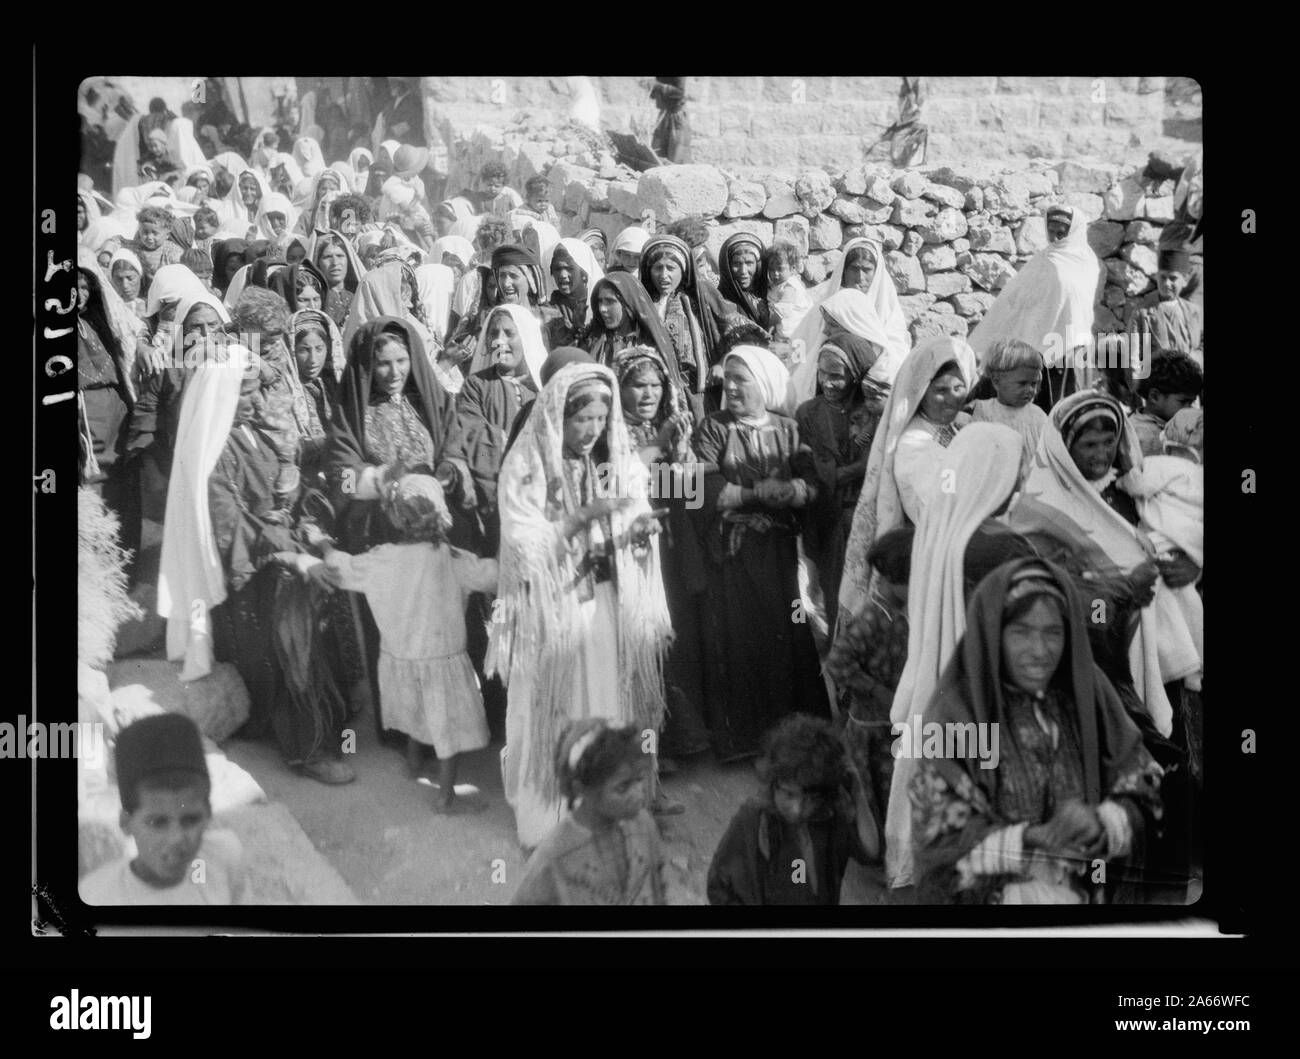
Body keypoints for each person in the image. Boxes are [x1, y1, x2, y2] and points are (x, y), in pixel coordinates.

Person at [487, 363, 672, 849]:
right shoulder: (527, 463)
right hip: (554, 614)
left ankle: (608, 809)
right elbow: (522, 541)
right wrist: (579, 521)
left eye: (599, 418)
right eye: (580, 420)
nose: (591, 431)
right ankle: (549, 820)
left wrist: (639, 533)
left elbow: (630, 509)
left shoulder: (611, 458)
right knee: (558, 710)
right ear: (557, 416)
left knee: (606, 702)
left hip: (602, 608)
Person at [156, 342, 355, 784]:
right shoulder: (210, 455)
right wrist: (294, 556)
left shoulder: (250, 433)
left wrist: (309, 527)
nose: (257, 401)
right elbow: (234, 528)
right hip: (251, 578)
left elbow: (283, 495)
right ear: (223, 394)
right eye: (246, 392)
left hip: (275, 548)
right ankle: (305, 748)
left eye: (257, 390)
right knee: (290, 640)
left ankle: (323, 719)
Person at [910, 559, 1164, 904]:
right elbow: (938, 841)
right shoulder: (961, 714)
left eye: (1053, 632)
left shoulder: (1085, 694)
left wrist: (1102, 823)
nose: (1040, 651)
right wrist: (1030, 838)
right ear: (993, 633)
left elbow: (1143, 782)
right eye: (1021, 632)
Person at [324, 475, 498, 812]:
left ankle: (414, 763)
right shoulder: (451, 558)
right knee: (446, 728)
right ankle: (446, 797)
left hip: (400, 656)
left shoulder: (380, 558)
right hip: (441, 657)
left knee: (415, 711)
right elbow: (491, 576)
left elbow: (341, 568)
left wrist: (324, 547)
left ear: (394, 517)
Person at [692, 345, 828, 762]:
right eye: (727, 380)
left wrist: (792, 491)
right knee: (739, 636)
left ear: (764, 384)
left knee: (786, 629)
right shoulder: (713, 428)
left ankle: (792, 735)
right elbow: (701, 488)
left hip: (779, 554)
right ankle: (743, 739)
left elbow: (811, 482)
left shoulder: (789, 429)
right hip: (734, 556)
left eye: (740, 379)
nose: (730, 388)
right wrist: (755, 493)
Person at [79, 714, 247, 905]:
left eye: (191, 819)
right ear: (126, 823)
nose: (176, 838)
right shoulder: (95, 897)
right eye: (157, 822)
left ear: (208, 814)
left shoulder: (224, 856)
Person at [707, 714, 869, 905]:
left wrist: (858, 793)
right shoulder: (754, 819)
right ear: (774, 782)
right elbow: (719, 885)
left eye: (811, 799)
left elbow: (869, 852)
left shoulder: (829, 815)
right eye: (789, 795)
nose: (797, 809)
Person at [825, 525, 913, 856]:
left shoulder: (901, 613)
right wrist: (877, 691)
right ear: (892, 579)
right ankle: (877, 855)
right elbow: (837, 662)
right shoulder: (872, 619)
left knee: (893, 793)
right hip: (871, 730)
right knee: (875, 792)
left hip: (893, 725)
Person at [511, 721, 669, 904]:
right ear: (582, 789)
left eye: (639, 780)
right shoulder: (554, 855)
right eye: (623, 787)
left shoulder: (643, 824)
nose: (638, 793)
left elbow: (659, 884)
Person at [968, 204, 1102, 411]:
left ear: (1074, 231)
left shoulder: (1086, 262)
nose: (1056, 238)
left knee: (1065, 409)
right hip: (1036, 348)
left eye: (1062, 233)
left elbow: (1078, 307)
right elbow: (1015, 301)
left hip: (1069, 350)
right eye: (1052, 231)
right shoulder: (1043, 261)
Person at [795, 335, 887, 633]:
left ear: (855, 375)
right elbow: (804, 463)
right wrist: (848, 471)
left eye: (836, 375)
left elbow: (877, 464)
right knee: (828, 592)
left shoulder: (871, 414)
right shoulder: (808, 413)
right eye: (822, 373)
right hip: (823, 515)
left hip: (862, 517)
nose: (827, 383)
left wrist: (843, 471)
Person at [457, 304, 549, 550]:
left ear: (526, 337)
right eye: (493, 333)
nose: (499, 341)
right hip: (496, 498)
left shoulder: (544, 388)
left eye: (509, 333)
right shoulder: (475, 386)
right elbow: (473, 438)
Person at [639, 233, 736, 421]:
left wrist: (723, 363)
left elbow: (738, 330)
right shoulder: (642, 302)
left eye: (671, 268)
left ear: (683, 270)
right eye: (658, 268)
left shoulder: (699, 298)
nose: (664, 275)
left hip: (695, 393)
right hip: (653, 391)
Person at [584, 270, 679, 371]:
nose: (602, 308)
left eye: (610, 301)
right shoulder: (592, 339)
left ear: (628, 304)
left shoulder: (652, 344)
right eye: (600, 301)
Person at [969, 337, 1050, 450]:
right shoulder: (984, 410)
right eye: (1022, 384)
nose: (1031, 390)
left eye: (1033, 384)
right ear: (996, 382)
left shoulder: (1037, 416)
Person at [1128, 244, 1203, 364]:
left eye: (1173, 278)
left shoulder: (1194, 311)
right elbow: (1133, 360)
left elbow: (1201, 346)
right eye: (1163, 277)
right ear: (1157, 277)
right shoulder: (1141, 314)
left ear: (1185, 280)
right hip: (1158, 380)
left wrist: (1194, 360)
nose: (1167, 283)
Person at [1127, 351, 1203, 457]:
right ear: (1154, 396)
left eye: (1191, 403)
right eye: (1183, 402)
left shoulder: (1179, 424)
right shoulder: (1138, 436)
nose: (1188, 409)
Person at [544, 236, 604, 348]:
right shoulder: (551, 308)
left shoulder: (601, 303)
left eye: (569, 268)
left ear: (583, 270)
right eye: (557, 269)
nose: (562, 275)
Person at [310, 228, 366, 328]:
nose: (335, 263)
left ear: (348, 261)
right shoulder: (313, 301)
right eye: (327, 257)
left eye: (340, 256)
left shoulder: (359, 298)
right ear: (318, 262)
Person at [716, 232, 771, 332]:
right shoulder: (720, 301)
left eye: (749, 263)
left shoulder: (773, 294)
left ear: (759, 265)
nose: (743, 271)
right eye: (736, 263)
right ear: (727, 266)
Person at [127, 206, 185, 295]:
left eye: (155, 233)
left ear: (167, 235)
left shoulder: (172, 252)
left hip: (164, 294)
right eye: (145, 232)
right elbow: (118, 240)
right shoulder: (136, 246)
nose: (149, 237)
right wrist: (107, 252)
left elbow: (180, 275)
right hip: (140, 293)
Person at [650, 78, 690, 163]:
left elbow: (680, 92)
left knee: (676, 150)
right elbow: (654, 94)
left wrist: (659, 86)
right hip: (664, 114)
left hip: (676, 115)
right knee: (658, 149)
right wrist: (651, 87)